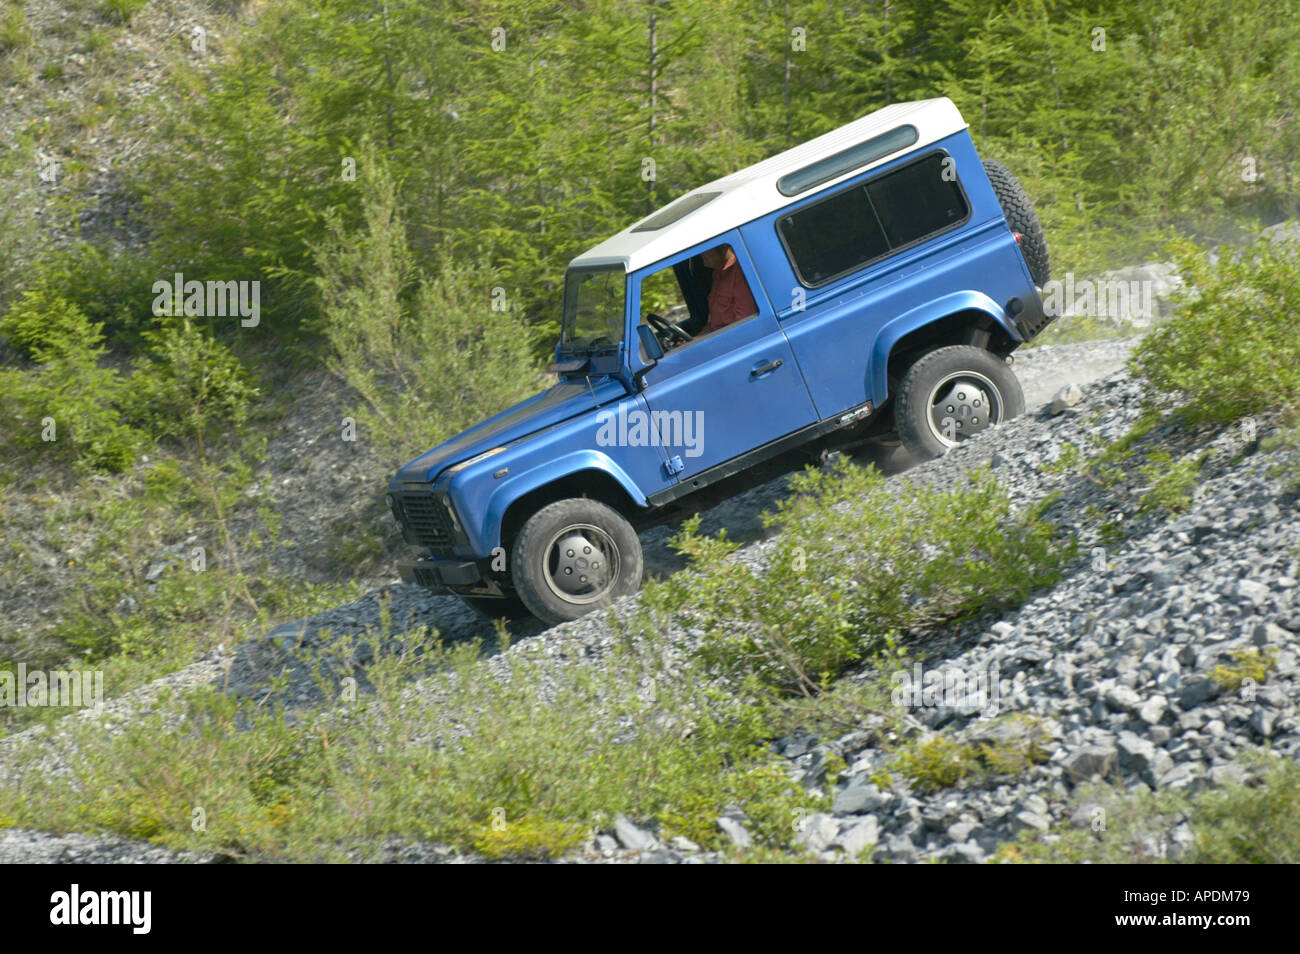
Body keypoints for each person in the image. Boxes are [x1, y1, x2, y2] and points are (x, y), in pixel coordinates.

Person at [699, 244, 758, 333]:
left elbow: (745, 321)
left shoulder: (740, 272)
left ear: (723, 248)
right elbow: (712, 322)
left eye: (705, 252)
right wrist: (697, 337)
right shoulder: (717, 274)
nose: (702, 256)